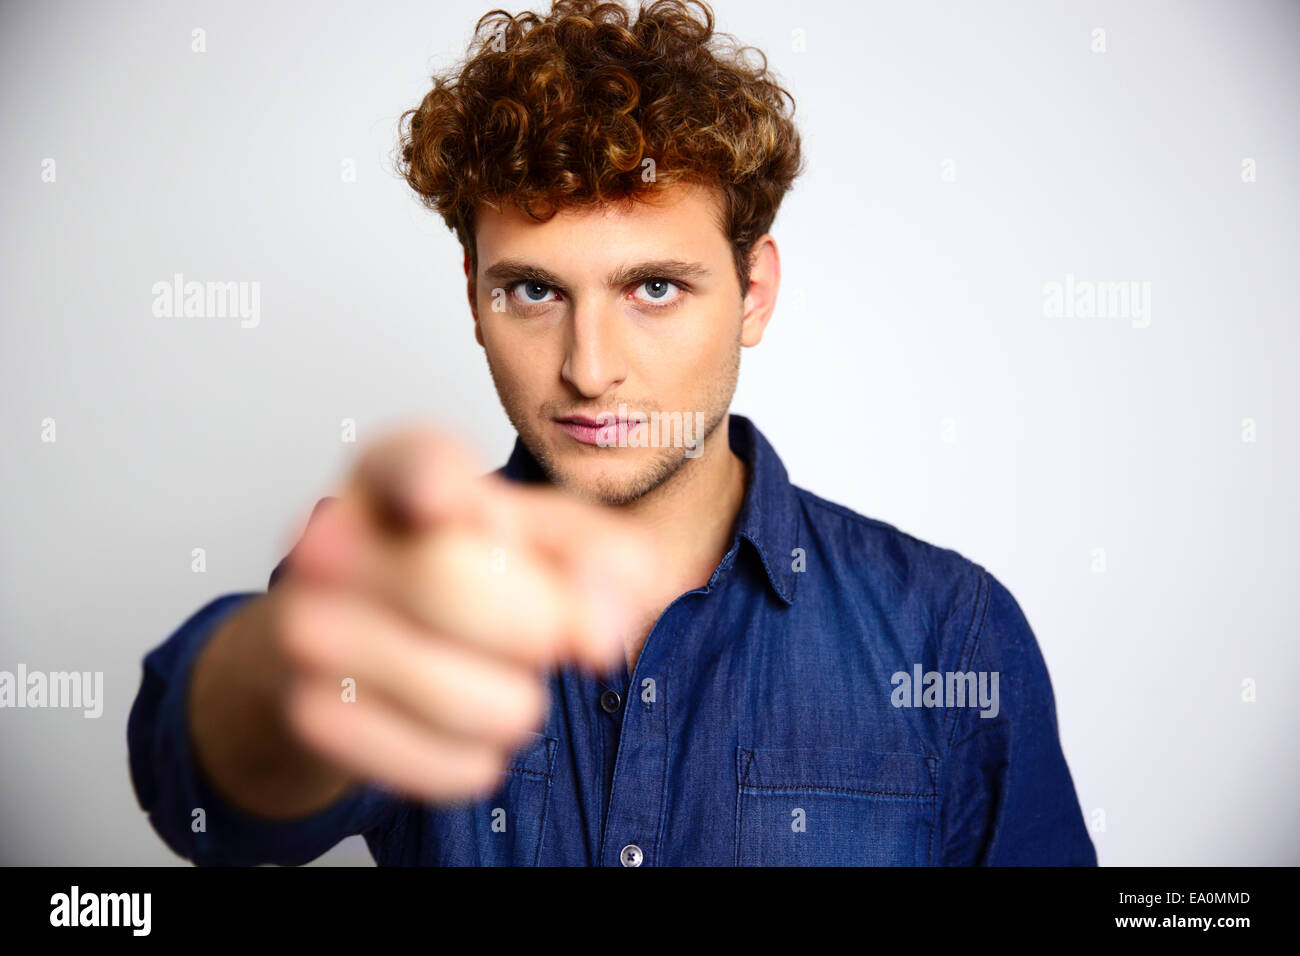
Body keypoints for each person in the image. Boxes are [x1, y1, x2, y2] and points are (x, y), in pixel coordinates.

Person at [128, 0, 1096, 866]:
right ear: (473, 296)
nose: (589, 367)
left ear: (753, 292)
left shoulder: (944, 631)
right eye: (535, 290)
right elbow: (206, 801)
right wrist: (293, 667)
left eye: (654, 287)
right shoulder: (408, 581)